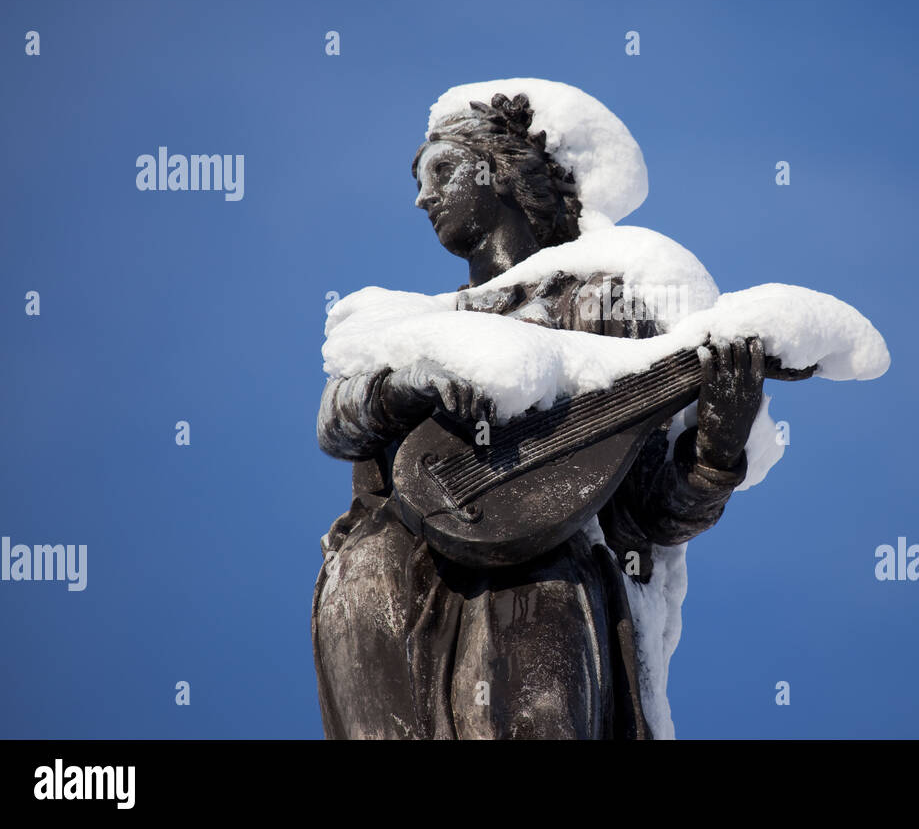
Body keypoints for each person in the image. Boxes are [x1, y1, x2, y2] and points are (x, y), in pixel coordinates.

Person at [312, 89, 765, 738]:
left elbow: (643, 514)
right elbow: (337, 421)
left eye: (439, 170)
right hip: (386, 578)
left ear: (494, 172)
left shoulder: (598, 304)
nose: (420, 197)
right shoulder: (417, 325)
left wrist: (716, 453)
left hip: (541, 573)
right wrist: (410, 383)